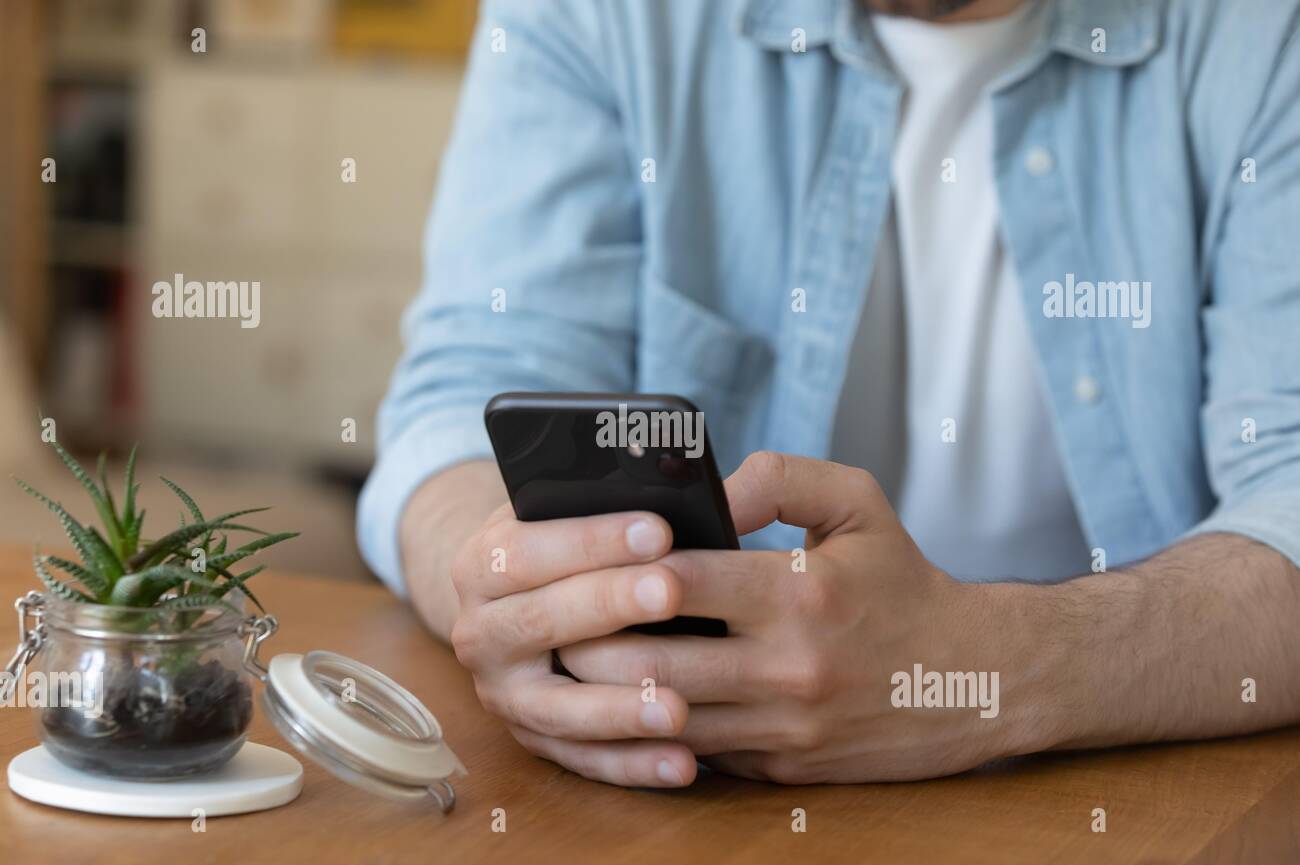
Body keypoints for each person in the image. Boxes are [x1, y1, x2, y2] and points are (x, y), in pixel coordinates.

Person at [358, 0, 1300, 788]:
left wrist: (983, 671)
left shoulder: (1261, 31)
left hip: (1125, 783)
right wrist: (518, 605)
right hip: (699, 798)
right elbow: (460, 407)